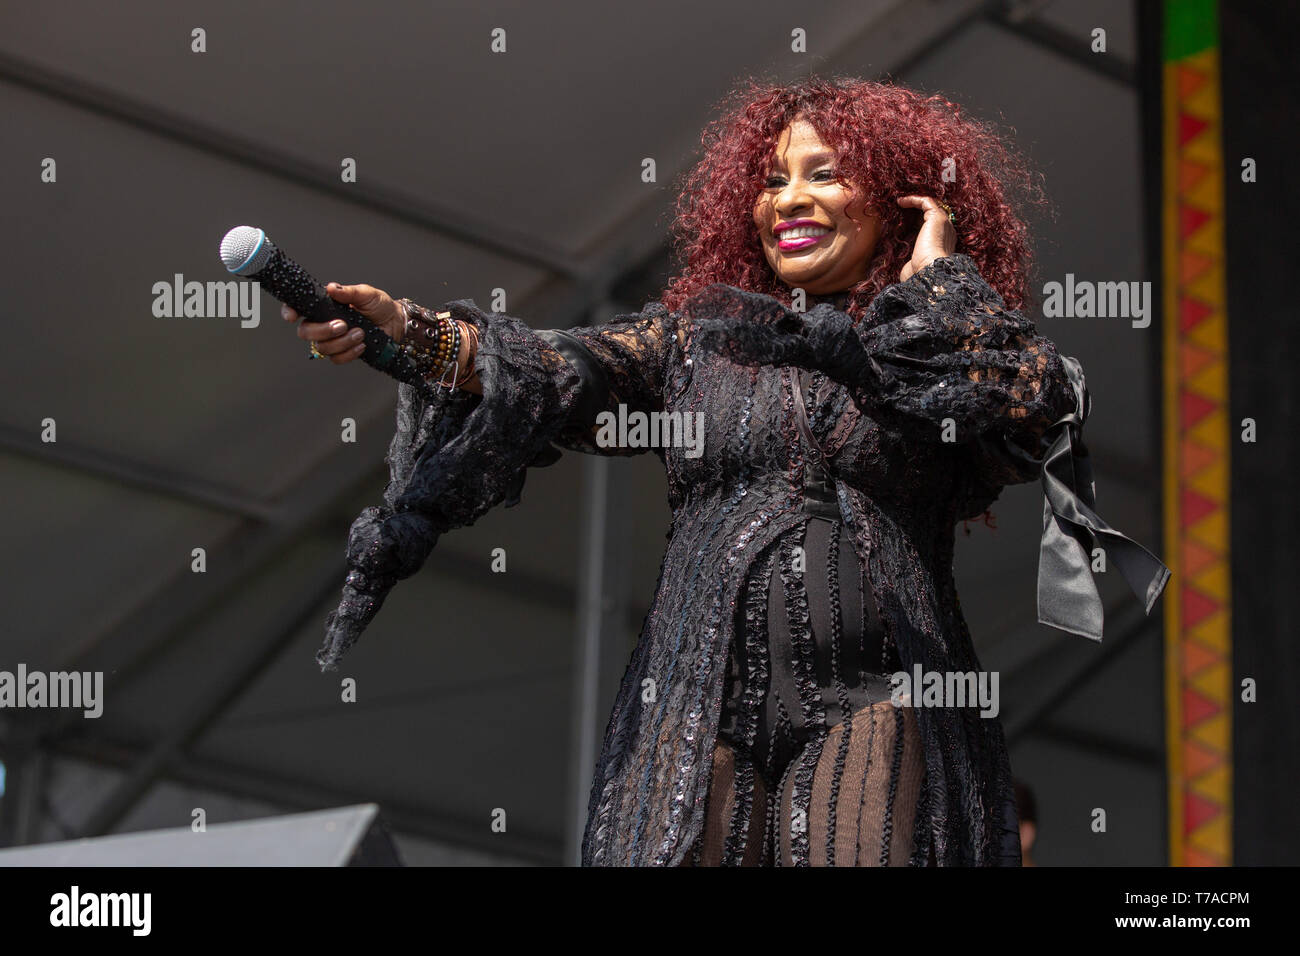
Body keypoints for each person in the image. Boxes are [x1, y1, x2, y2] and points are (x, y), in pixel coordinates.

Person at [282, 77, 1166, 866]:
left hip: (879, 705)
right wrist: (408, 333)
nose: (789, 198)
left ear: (900, 201)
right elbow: (552, 369)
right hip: (695, 708)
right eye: (774, 178)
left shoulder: (927, 355)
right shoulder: (695, 344)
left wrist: (939, 288)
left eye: (823, 173)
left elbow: (1032, 404)